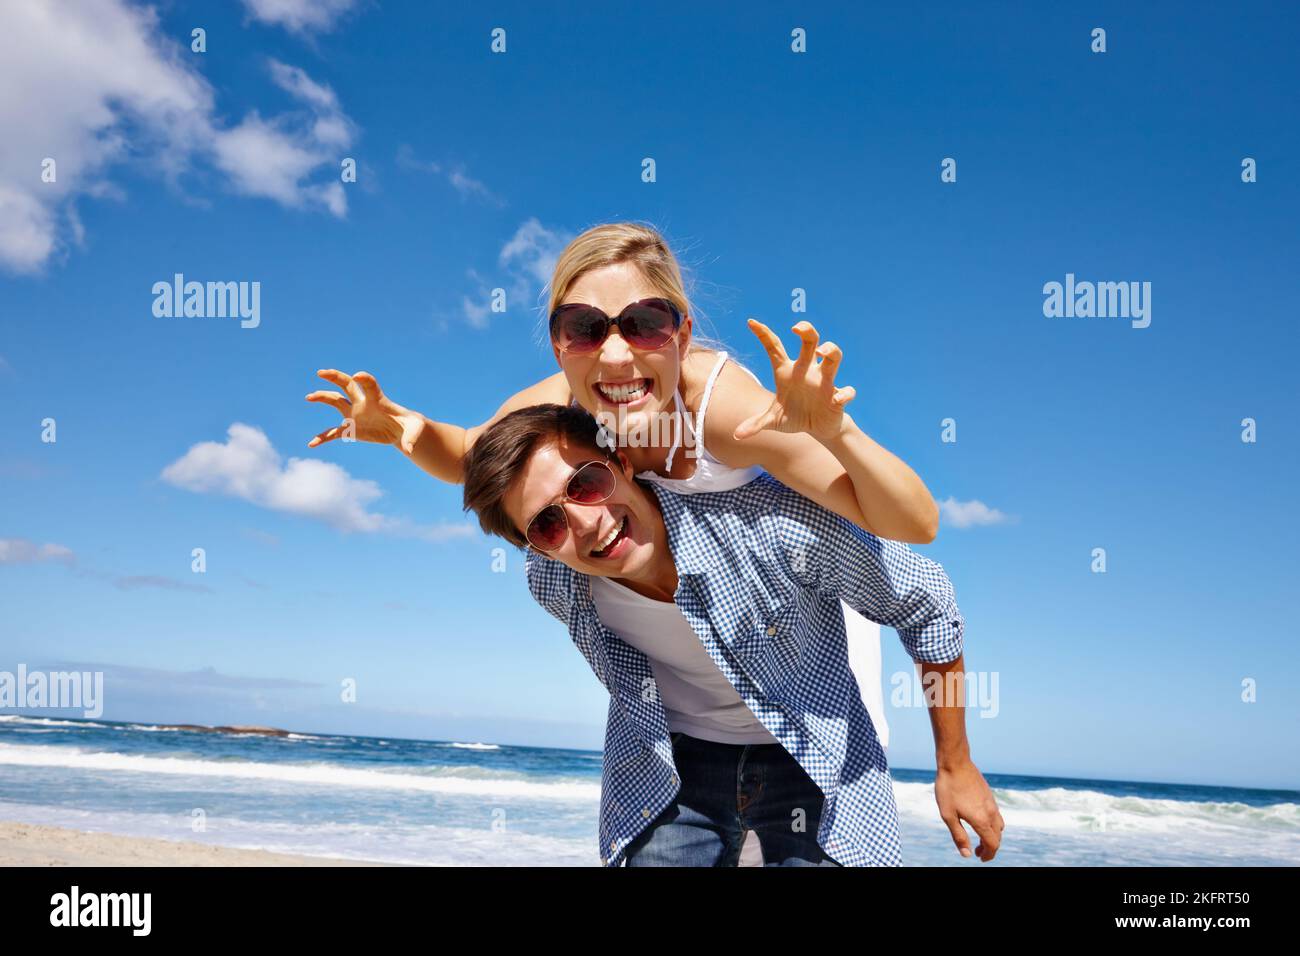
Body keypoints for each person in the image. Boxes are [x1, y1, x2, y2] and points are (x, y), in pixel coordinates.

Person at [306, 221, 940, 758]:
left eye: (643, 323)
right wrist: (404, 431)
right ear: (558, 347)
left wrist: (840, 433)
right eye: (583, 328)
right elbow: (471, 455)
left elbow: (910, 524)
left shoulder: (722, 414)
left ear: (682, 334)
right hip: (693, 684)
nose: (613, 357)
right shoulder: (564, 403)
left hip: (794, 640)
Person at [458, 402, 1003, 866]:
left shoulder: (771, 522)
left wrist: (955, 763)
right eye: (547, 525)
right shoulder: (554, 577)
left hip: (813, 753)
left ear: (623, 461)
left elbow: (928, 605)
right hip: (676, 763)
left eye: (587, 484)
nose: (586, 524)